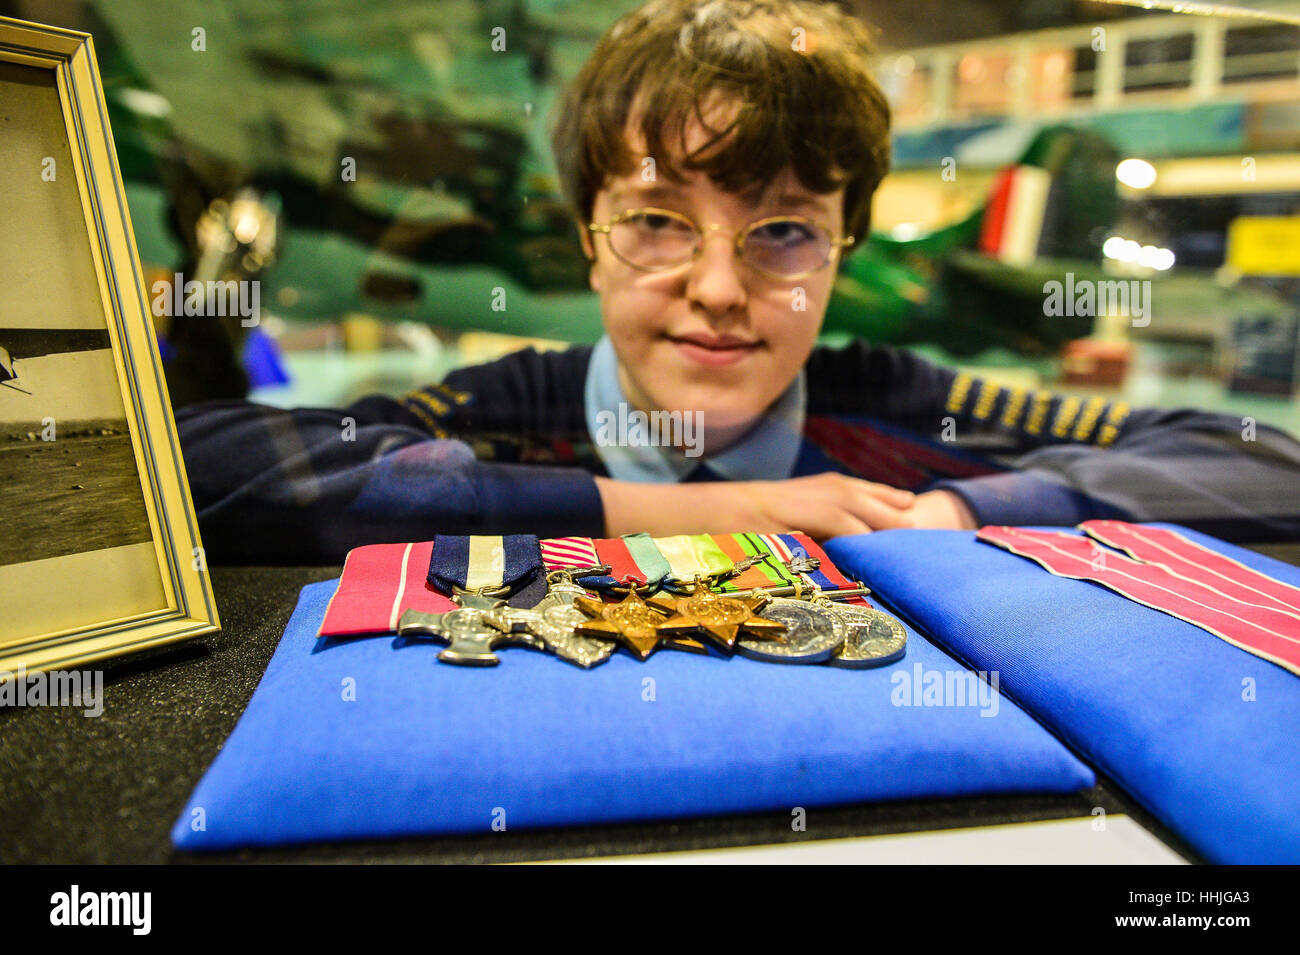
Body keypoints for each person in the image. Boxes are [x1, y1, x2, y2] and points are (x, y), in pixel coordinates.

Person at [177, 0, 1300, 564]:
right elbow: (197, 463)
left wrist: (968, 506)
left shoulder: (899, 409)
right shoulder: (506, 408)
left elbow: (1254, 458)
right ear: (585, 235)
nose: (719, 288)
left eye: (782, 232)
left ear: (847, 244)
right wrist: (708, 510)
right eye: (658, 221)